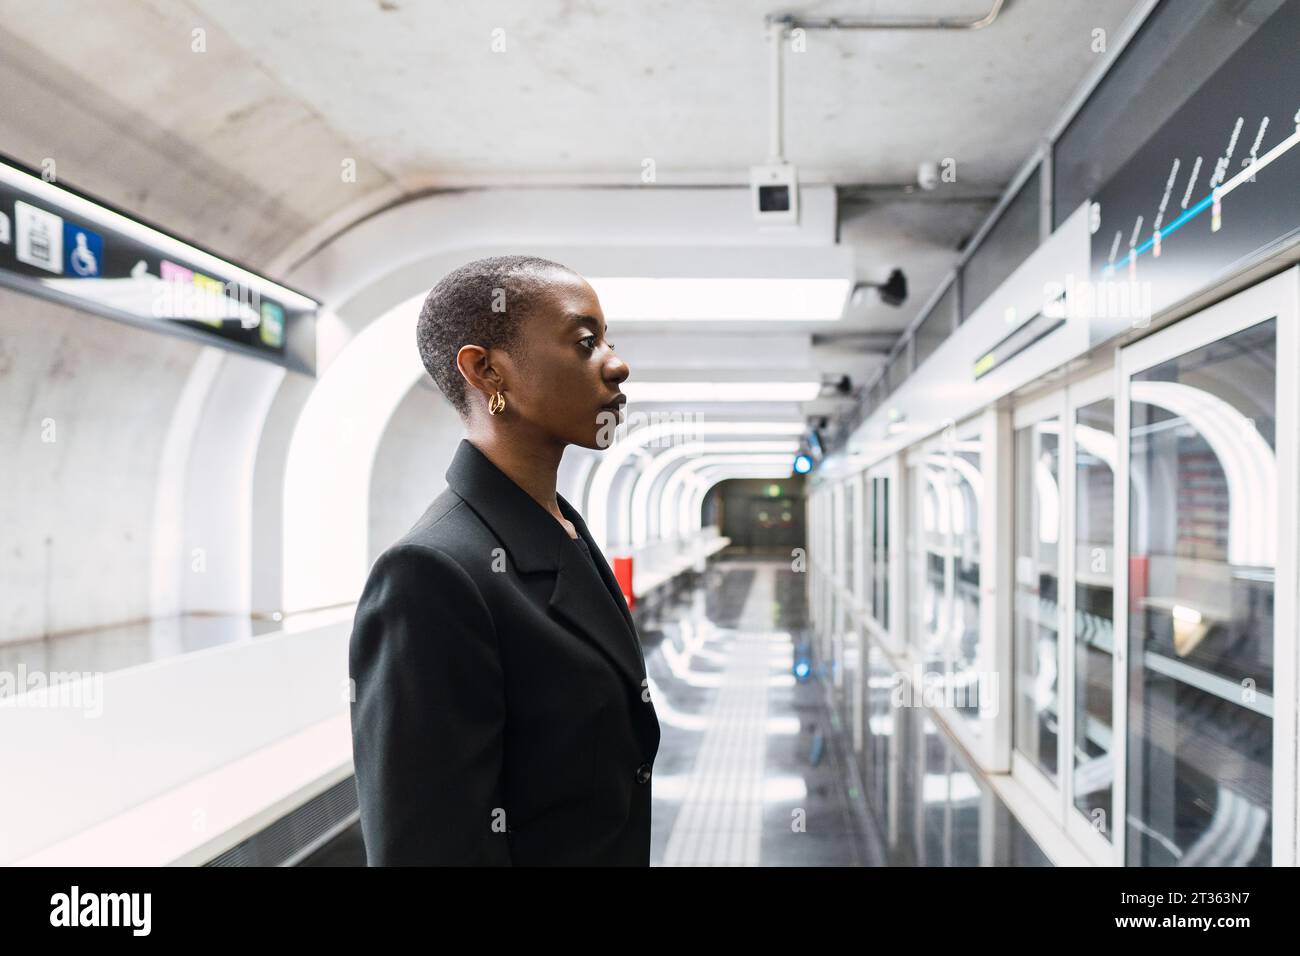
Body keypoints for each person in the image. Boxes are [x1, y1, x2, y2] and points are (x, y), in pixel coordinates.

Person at [349, 255, 660, 865]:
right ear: (487, 371)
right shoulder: (431, 575)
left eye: (610, 341)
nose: (617, 364)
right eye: (585, 341)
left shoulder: (563, 527)